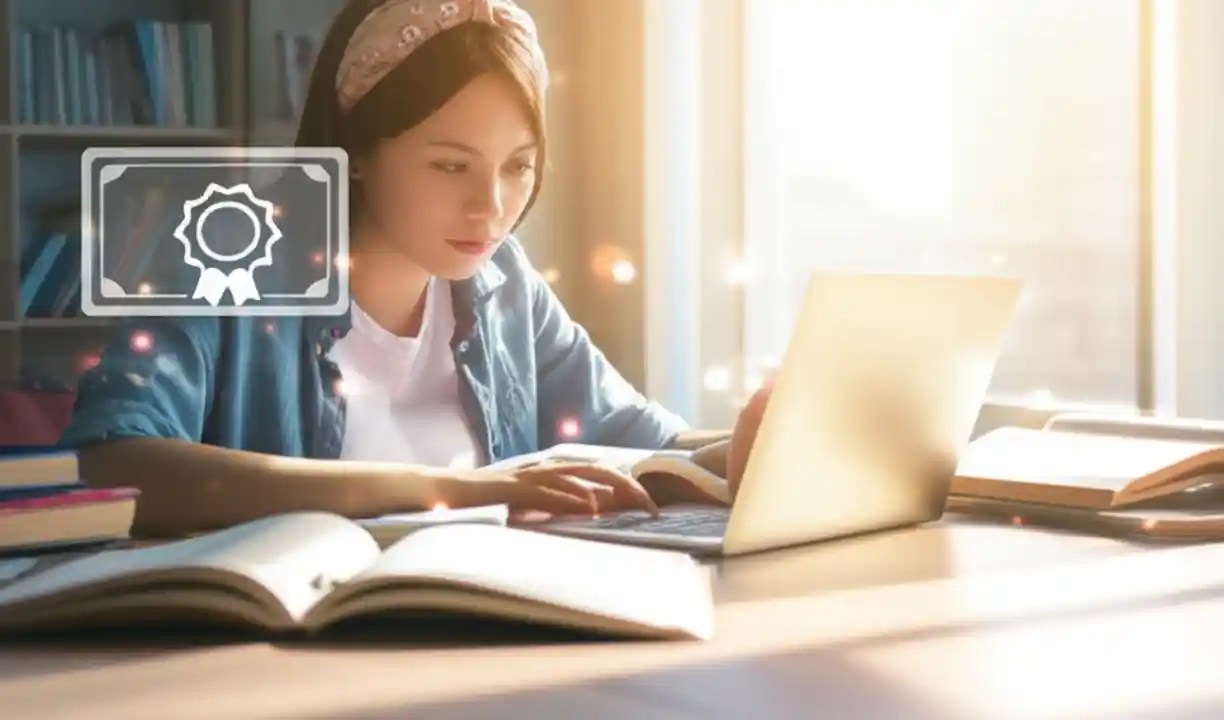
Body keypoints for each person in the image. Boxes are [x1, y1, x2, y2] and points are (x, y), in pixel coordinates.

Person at [60, 0, 754, 539]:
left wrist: (761, 440)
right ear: (358, 148)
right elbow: (112, 464)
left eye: (517, 168)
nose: (491, 208)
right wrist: (457, 489)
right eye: (451, 165)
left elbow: (652, 447)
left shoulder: (502, 284)